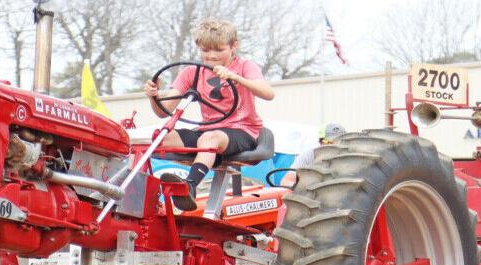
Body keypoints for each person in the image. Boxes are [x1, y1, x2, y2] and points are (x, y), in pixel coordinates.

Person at [143, 18, 276, 210]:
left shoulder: (245, 67)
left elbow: (268, 94)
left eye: (219, 50)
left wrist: (235, 77)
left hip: (241, 130)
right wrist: (153, 96)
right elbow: (164, 112)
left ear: (234, 46)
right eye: (205, 50)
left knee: (209, 138)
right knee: (159, 138)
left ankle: (189, 186)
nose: (211, 56)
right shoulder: (192, 73)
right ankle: (135, 196)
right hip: (208, 131)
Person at [284, 122, 346, 186]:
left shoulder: (349, 159)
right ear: (321, 142)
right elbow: (287, 180)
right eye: (329, 142)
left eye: (338, 142)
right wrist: (300, 188)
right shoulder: (309, 156)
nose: (334, 146)